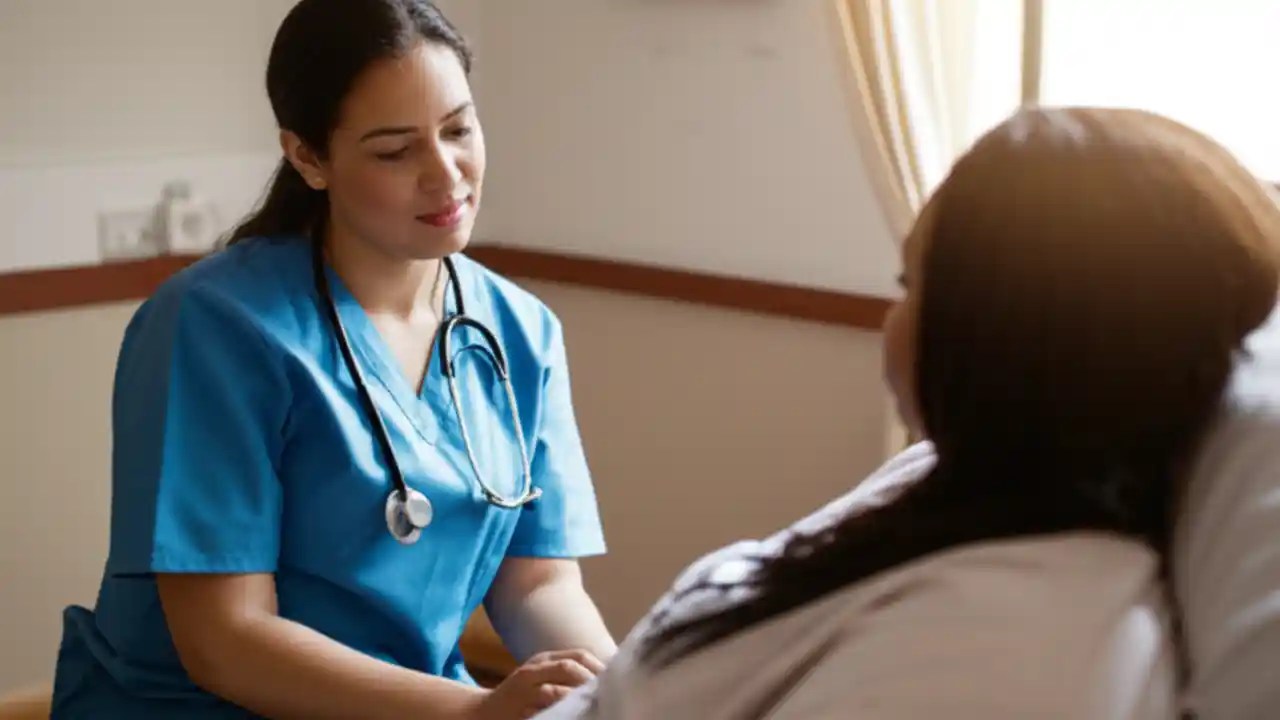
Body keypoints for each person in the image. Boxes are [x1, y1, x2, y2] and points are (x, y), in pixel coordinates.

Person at [532, 106, 1280, 719]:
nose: (889, 324)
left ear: (998, 336)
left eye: (910, 284)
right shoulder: (946, 485)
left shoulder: (1014, 649)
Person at [49, 1, 616, 718]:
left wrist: (622, 691)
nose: (447, 177)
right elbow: (226, 639)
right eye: (394, 150)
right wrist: (473, 713)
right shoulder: (216, 327)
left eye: (459, 129)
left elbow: (536, 586)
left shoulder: (521, 332)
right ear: (307, 156)